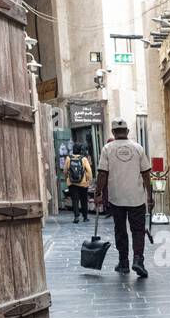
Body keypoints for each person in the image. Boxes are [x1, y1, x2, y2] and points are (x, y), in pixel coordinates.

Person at [96, 119, 153, 277]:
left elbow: (102, 173)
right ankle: (138, 260)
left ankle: (123, 263)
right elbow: (146, 174)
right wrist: (150, 195)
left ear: (113, 133)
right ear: (127, 132)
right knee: (138, 230)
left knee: (120, 230)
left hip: (117, 198)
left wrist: (98, 193)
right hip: (136, 197)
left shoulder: (107, 148)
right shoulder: (138, 148)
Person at [64, 141, 93, 223]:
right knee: (84, 200)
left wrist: (66, 178)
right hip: (83, 183)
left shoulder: (68, 158)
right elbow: (89, 170)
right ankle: (85, 217)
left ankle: (76, 217)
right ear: (81, 150)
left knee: (75, 200)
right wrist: (89, 180)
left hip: (72, 183)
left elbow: (65, 170)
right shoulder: (83, 159)